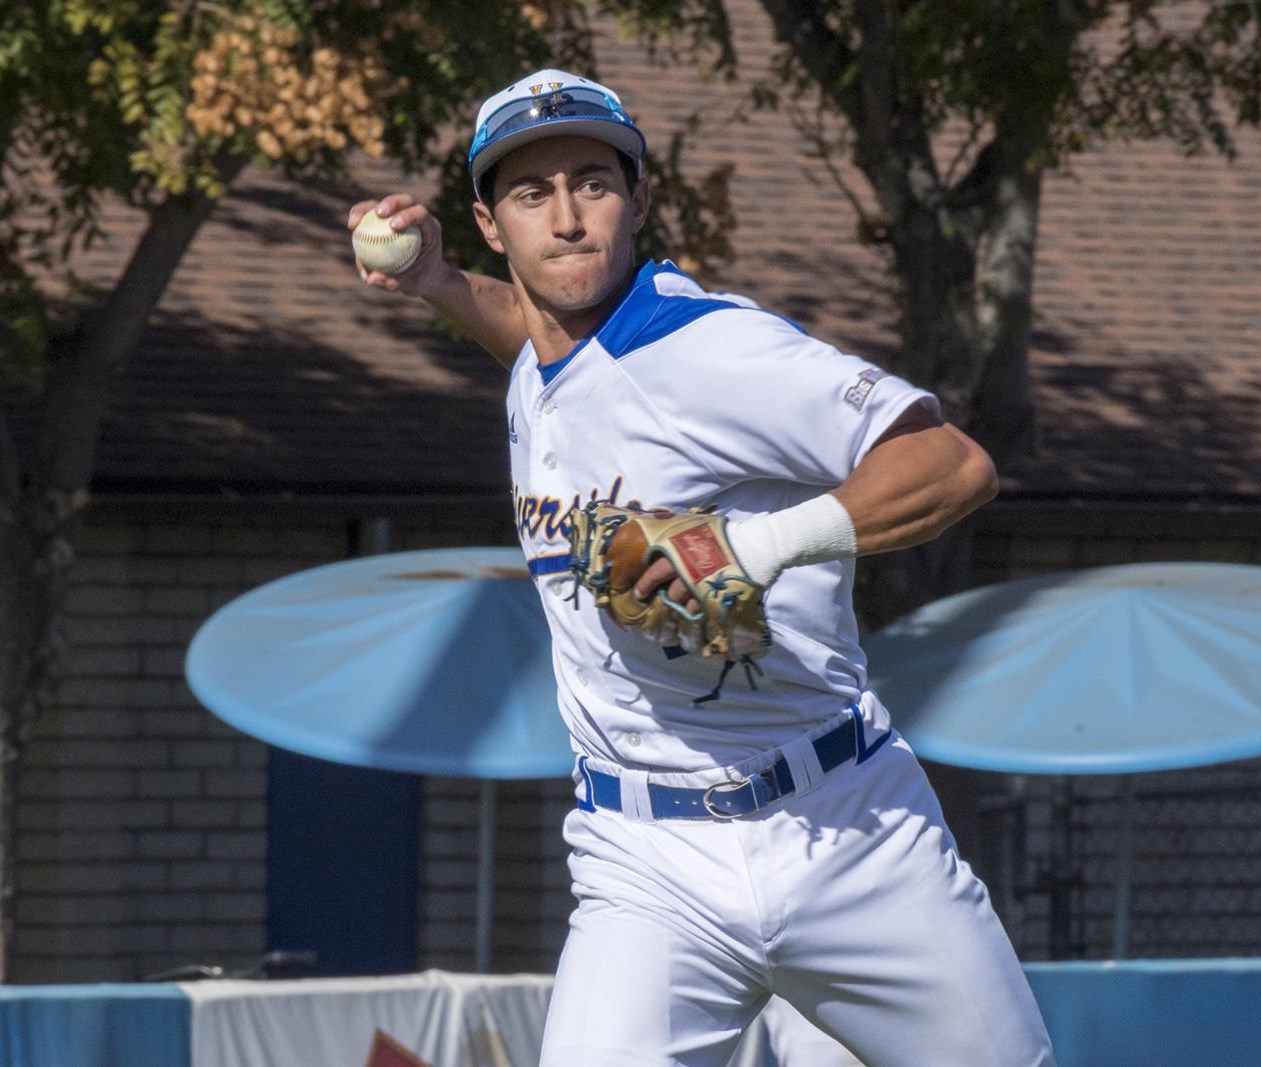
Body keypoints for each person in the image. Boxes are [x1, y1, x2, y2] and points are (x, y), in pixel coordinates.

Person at [351, 69, 1054, 1067]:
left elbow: (951, 464)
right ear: (488, 224)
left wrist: (755, 547)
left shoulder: (712, 348)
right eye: (530, 193)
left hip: (842, 830)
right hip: (644, 862)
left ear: (638, 199)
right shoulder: (548, 363)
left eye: (593, 183)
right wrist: (437, 283)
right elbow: (547, 342)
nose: (566, 218)